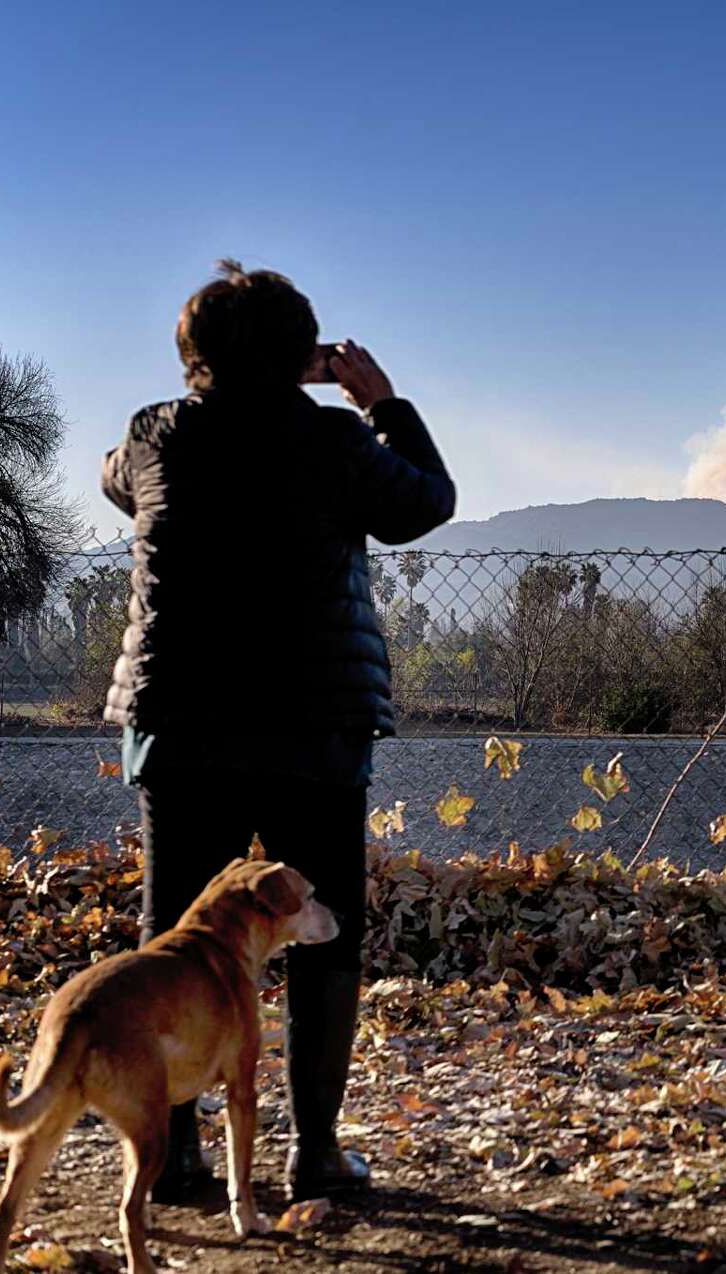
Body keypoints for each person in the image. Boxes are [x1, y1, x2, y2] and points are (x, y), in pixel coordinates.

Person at [100, 259, 455, 1203]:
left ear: (194, 358)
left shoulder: (156, 436)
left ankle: (173, 1156)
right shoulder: (338, 442)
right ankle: (315, 1152)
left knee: (172, 936)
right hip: (314, 725)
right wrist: (380, 401)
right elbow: (426, 501)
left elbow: (116, 484)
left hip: (184, 723)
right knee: (324, 932)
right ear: (305, 353)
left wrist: (217, 391)